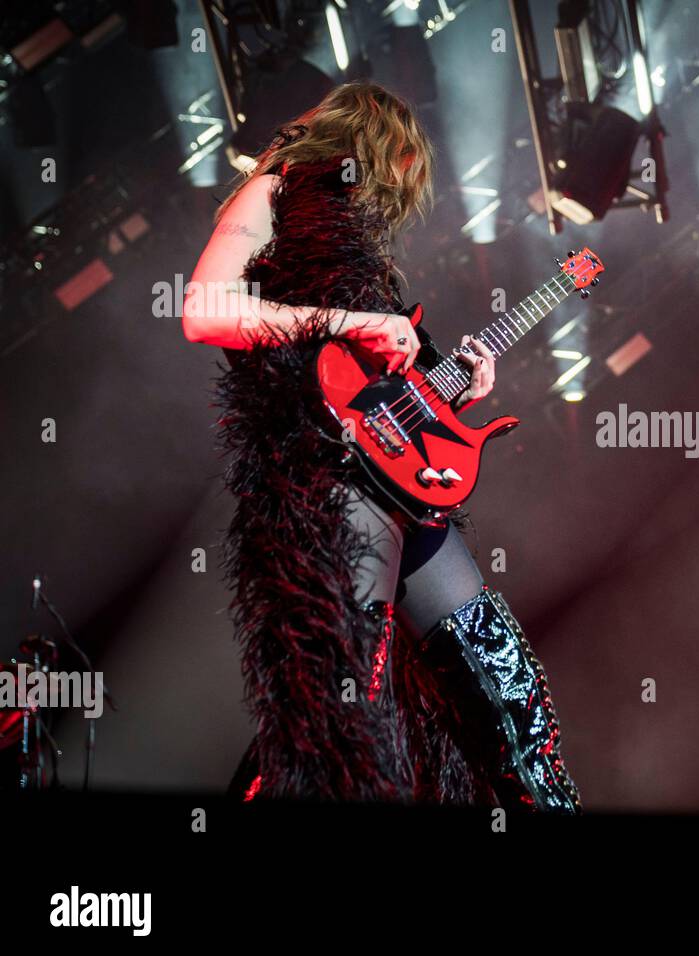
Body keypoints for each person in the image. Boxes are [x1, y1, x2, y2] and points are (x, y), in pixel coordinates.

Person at [182, 82, 579, 811]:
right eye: (396, 167)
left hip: (400, 486)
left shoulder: (367, 264)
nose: (399, 192)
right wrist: (349, 322)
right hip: (329, 478)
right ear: (363, 143)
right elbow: (204, 309)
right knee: (341, 706)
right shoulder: (275, 189)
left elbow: (382, 398)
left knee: (501, 679)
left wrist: (449, 389)